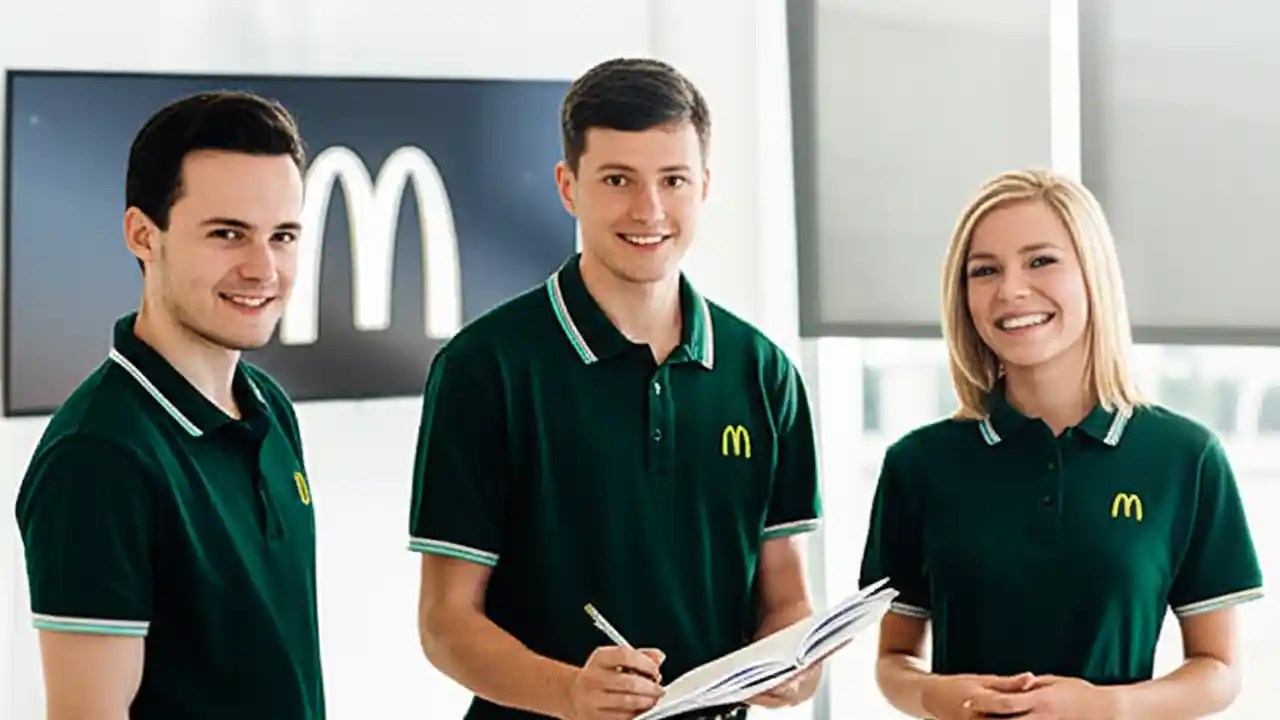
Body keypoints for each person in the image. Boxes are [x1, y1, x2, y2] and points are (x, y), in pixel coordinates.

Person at [408, 58, 824, 720]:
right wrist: (569, 692)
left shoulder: (764, 373)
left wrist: (794, 663)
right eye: (617, 179)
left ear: (704, 186)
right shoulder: (484, 368)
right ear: (568, 186)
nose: (648, 209)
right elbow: (445, 622)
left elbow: (786, 599)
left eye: (673, 180)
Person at [859, 168, 1264, 720]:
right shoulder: (918, 465)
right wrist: (941, 697)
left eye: (1041, 260)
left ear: (1092, 274)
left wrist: (1104, 708)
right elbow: (895, 659)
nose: (1011, 290)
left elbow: (1218, 669)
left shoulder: (1186, 458)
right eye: (985, 270)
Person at [14, 90, 325, 719]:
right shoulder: (99, 456)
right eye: (228, 234)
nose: (263, 268)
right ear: (142, 235)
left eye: (283, 236)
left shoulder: (269, 407)